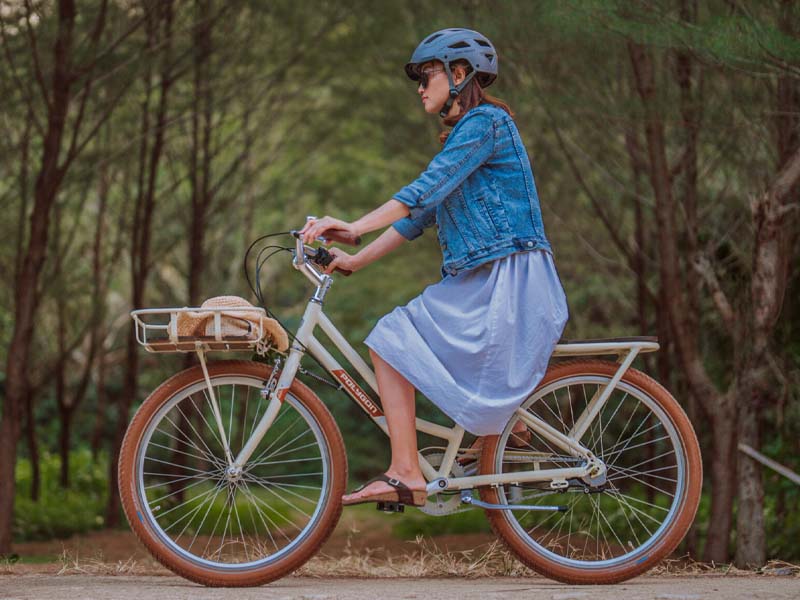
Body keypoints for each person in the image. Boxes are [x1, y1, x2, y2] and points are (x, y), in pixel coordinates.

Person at [299, 28, 569, 508]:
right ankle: (508, 425)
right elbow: (420, 216)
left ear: (458, 74)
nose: (421, 88)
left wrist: (355, 226)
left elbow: (422, 191)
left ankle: (407, 471)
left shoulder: (486, 123)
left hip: (508, 278)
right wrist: (355, 259)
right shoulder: (466, 139)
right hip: (488, 278)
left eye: (427, 76)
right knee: (395, 340)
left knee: (389, 340)